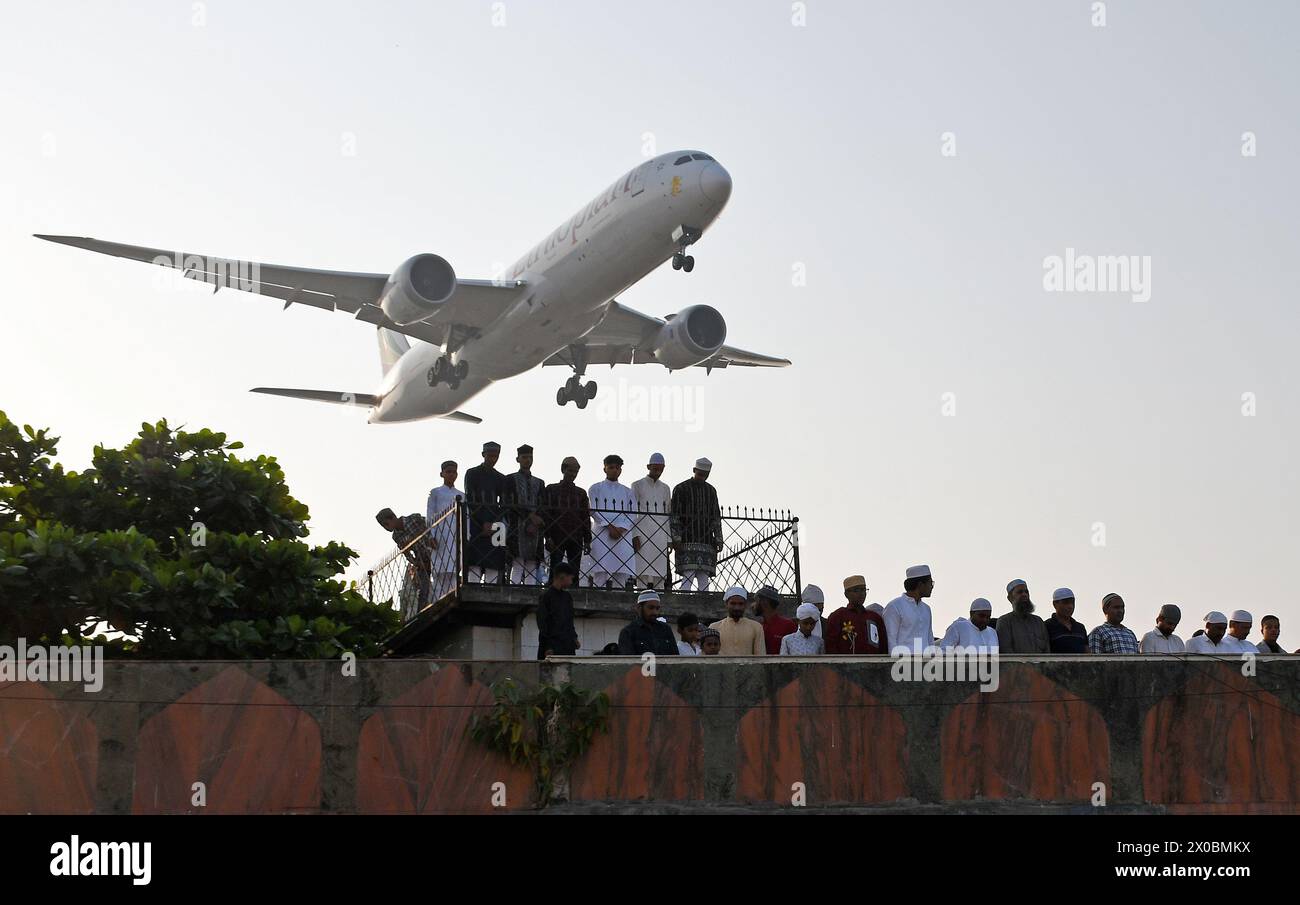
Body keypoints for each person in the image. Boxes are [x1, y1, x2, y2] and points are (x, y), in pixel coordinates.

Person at [670, 458, 723, 592]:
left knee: (703, 576)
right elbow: (675, 515)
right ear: (694, 470)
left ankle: (704, 600)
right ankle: (684, 599)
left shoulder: (711, 491)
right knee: (688, 573)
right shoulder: (681, 489)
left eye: (705, 475)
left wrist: (718, 538)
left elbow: (715, 516)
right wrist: (676, 538)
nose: (702, 477)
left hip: (706, 539)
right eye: (700, 474)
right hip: (686, 538)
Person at [376, 507, 433, 620]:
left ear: (393, 517)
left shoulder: (414, 518)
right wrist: (416, 563)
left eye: (386, 524)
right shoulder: (396, 536)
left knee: (443, 576)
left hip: (435, 549)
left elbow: (432, 527)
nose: (386, 528)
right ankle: (422, 614)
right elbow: (406, 554)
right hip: (421, 558)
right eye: (384, 526)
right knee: (423, 588)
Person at [589, 454, 636, 589]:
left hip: (623, 534)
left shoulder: (628, 492)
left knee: (621, 573)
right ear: (604, 469)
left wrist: (620, 528)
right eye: (611, 467)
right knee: (600, 572)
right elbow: (593, 510)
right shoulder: (595, 488)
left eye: (617, 467)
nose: (614, 470)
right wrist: (609, 527)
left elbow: (633, 514)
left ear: (621, 470)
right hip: (602, 533)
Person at [464, 441, 508, 584]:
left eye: (496, 456)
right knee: (474, 560)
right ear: (483, 455)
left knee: (494, 560)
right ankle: (472, 588)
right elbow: (470, 499)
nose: (493, 459)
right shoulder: (472, 473)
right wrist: (483, 522)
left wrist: (493, 522)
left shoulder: (501, 478)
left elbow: (505, 503)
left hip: (495, 523)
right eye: (490, 455)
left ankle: (492, 590)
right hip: (476, 521)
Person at [541, 457, 591, 578]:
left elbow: (585, 517)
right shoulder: (552, 489)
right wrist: (547, 536)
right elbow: (546, 515)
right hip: (556, 535)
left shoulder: (581, 493)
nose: (573, 474)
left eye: (575, 472)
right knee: (555, 569)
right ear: (563, 470)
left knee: (574, 571)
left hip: (576, 535)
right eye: (570, 471)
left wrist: (587, 540)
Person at [504, 444, 546, 586]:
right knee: (518, 561)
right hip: (516, 525)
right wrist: (529, 516)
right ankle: (514, 589)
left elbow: (543, 504)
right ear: (518, 459)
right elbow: (508, 502)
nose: (527, 460)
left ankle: (530, 591)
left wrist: (536, 520)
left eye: (530, 457)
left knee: (532, 563)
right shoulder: (510, 479)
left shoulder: (540, 483)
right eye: (524, 457)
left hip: (535, 528)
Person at [631, 453, 673, 590]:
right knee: (642, 574)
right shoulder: (637, 485)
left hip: (660, 535)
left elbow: (667, 514)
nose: (658, 472)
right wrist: (634, 535)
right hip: (642, 532)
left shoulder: (665, 488)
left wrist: (669, 538)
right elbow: (632, 513)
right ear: (648, 466)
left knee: (660, 575)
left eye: (661, 469)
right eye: (655, 469)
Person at [426, 460, 464, 602]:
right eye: (448, 472)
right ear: (442, 474)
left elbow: (464, 517)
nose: (451, 474)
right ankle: (438, 602)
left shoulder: (461, 495)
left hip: (455, 535)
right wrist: (432, 534)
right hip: (440, 535)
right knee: (439, 572)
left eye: (454, 472)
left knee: (454, 572)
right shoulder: (436, 493)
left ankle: (453, 599)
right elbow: (431, 515)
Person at [825, 575, 888, 655]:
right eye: (856, 590)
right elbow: (831, 646)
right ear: (846, 594)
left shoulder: (875, 617)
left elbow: (883, 646)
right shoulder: (837, 616)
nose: (861, 594)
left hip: (873, 665)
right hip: (845, 665)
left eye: (863, 590)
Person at [884, 565, 935, 656]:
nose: (932, 587)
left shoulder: (926, 609)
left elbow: (930, 639)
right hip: (903, 664)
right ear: (920, 585)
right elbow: (891, 640)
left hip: (925, 665)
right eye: (930, 583)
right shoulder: (895, 606)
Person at [535, 562, 579, 658]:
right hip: (552, 647)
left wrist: (574, 637)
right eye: (570, 578)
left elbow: (569, 621)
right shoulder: (546, 597)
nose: (571, 582)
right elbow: (543, 624)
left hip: (567, 646)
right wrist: (548, 646)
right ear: (563, 576)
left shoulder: (567, 597)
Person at [617, 590, 679, 655]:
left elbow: (675, 659)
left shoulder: (666, 629)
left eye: (657, 608)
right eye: (651, 608)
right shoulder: (628, 632)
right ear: (639, 608)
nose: (655, 612)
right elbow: (629, 662)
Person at [996, 579, 1050, 654]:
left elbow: (1047, 651)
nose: (1024, 594)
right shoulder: (1004, 621)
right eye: (1020, 592)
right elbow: (1006, 651)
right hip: (1016, 665)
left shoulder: (1038, 621)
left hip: (1040, 665)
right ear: (1010, 598)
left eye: (1026, 592)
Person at [710, 586, 765, 655]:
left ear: (745, 605)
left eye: (740, 604)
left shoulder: (756, 627)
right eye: (733, 603)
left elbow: (760, 656)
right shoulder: (714, 627)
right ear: (726, 604)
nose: (737, 608)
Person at [1045, 587, 1088, 654]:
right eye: (1066, 603)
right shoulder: (1047, 626)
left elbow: (1087, 653)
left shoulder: (1080, 627)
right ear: (1055, 604)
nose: (1070, 606)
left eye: (1072, 602)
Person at [755, 585, 796, 655]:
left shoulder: (788, 626)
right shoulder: (757, 626)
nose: (754, 605)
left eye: (756, 601)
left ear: (764, 602)